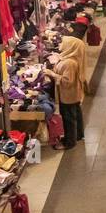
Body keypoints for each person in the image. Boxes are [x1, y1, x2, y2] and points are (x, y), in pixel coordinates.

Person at [43, 19, 87, 149]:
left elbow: (67, 81)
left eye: (64, 43)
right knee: (75, 115)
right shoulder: (70, 59)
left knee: (69, 117)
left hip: (68, 95)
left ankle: (70, 142)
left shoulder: (69, 63)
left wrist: (52, 74)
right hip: (73, 94)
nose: (61, 44)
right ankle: (77, 135)